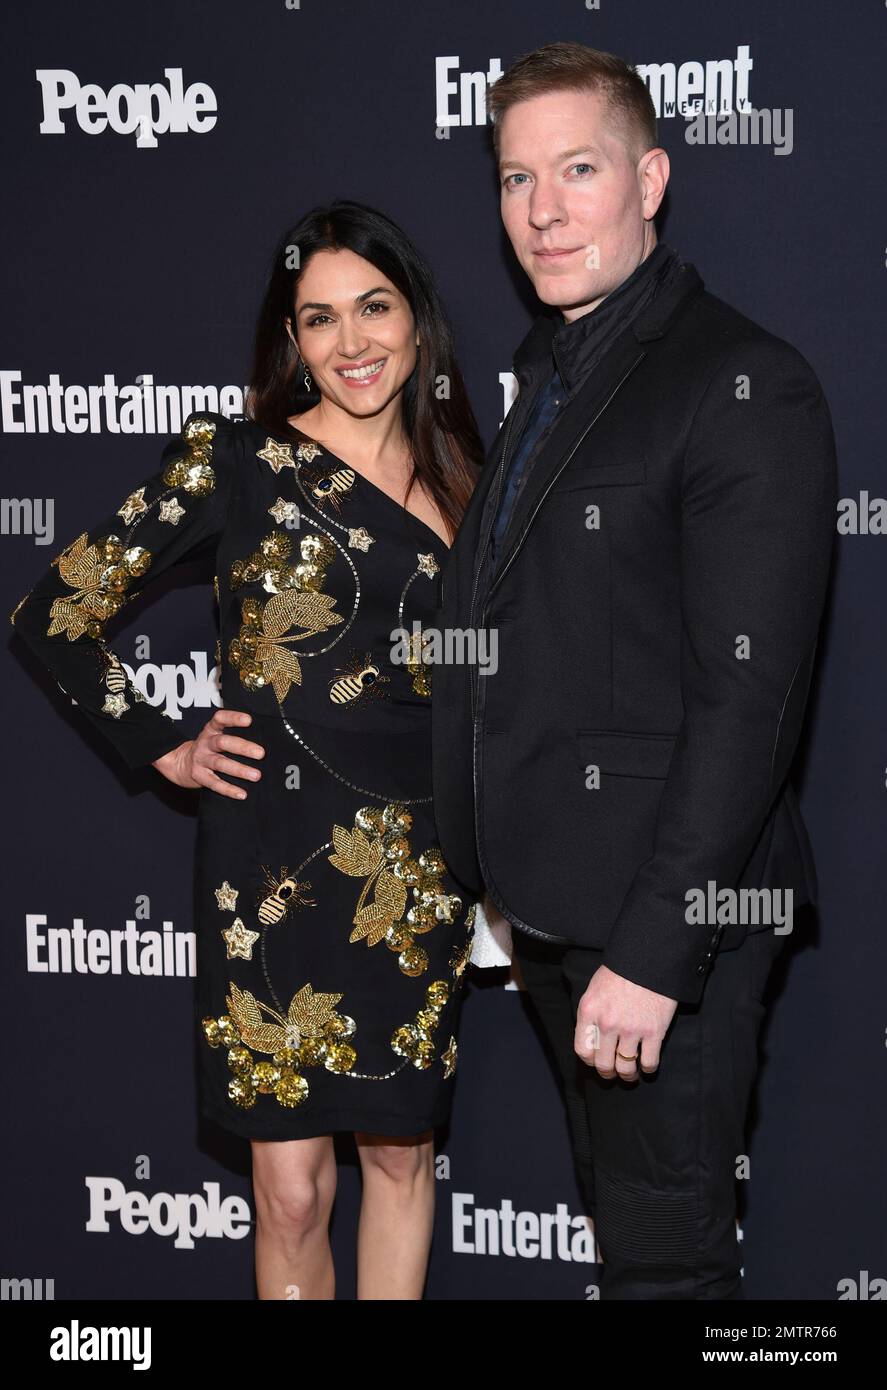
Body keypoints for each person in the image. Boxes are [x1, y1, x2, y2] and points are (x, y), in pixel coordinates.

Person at [10, 199, 484, 1299]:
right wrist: (159, 744)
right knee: (290, 1193)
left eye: (373, 308)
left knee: (401, 1158)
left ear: (417, 320)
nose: (351, 342)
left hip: (412, 871)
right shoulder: (237, 460)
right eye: (318, 319)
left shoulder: (471, 476)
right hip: (265, 858)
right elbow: (57, 609)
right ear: (291, 340)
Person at [431, 42, 837, 1299]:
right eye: (513, 178)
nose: (542, 210)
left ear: (649, 179)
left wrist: (659, 951)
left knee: (668, 1274)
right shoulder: (552, 371)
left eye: (578, 169)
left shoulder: (739, 382)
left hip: (664, 932)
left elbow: (748, 703)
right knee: (638, 1250)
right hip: (558, 915)